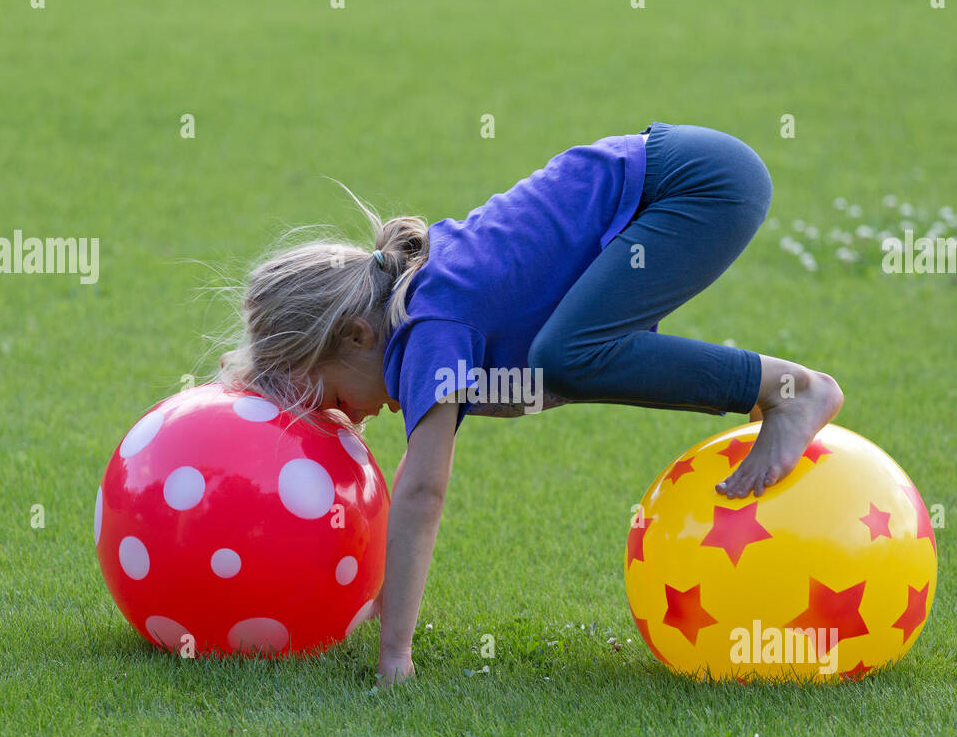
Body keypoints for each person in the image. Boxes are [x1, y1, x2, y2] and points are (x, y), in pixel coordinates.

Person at [220, 121, 843, 685]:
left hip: (695, 184)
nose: (350, 418)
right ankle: (775, 392)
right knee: (566, 358)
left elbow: (423, 491)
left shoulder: (426, 326)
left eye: (332, 397)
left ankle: (792, 389)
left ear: (355, 336)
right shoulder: (422, 308)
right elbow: (428, 462)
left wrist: (394, 655)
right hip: (691, 172)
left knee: (569, 355)